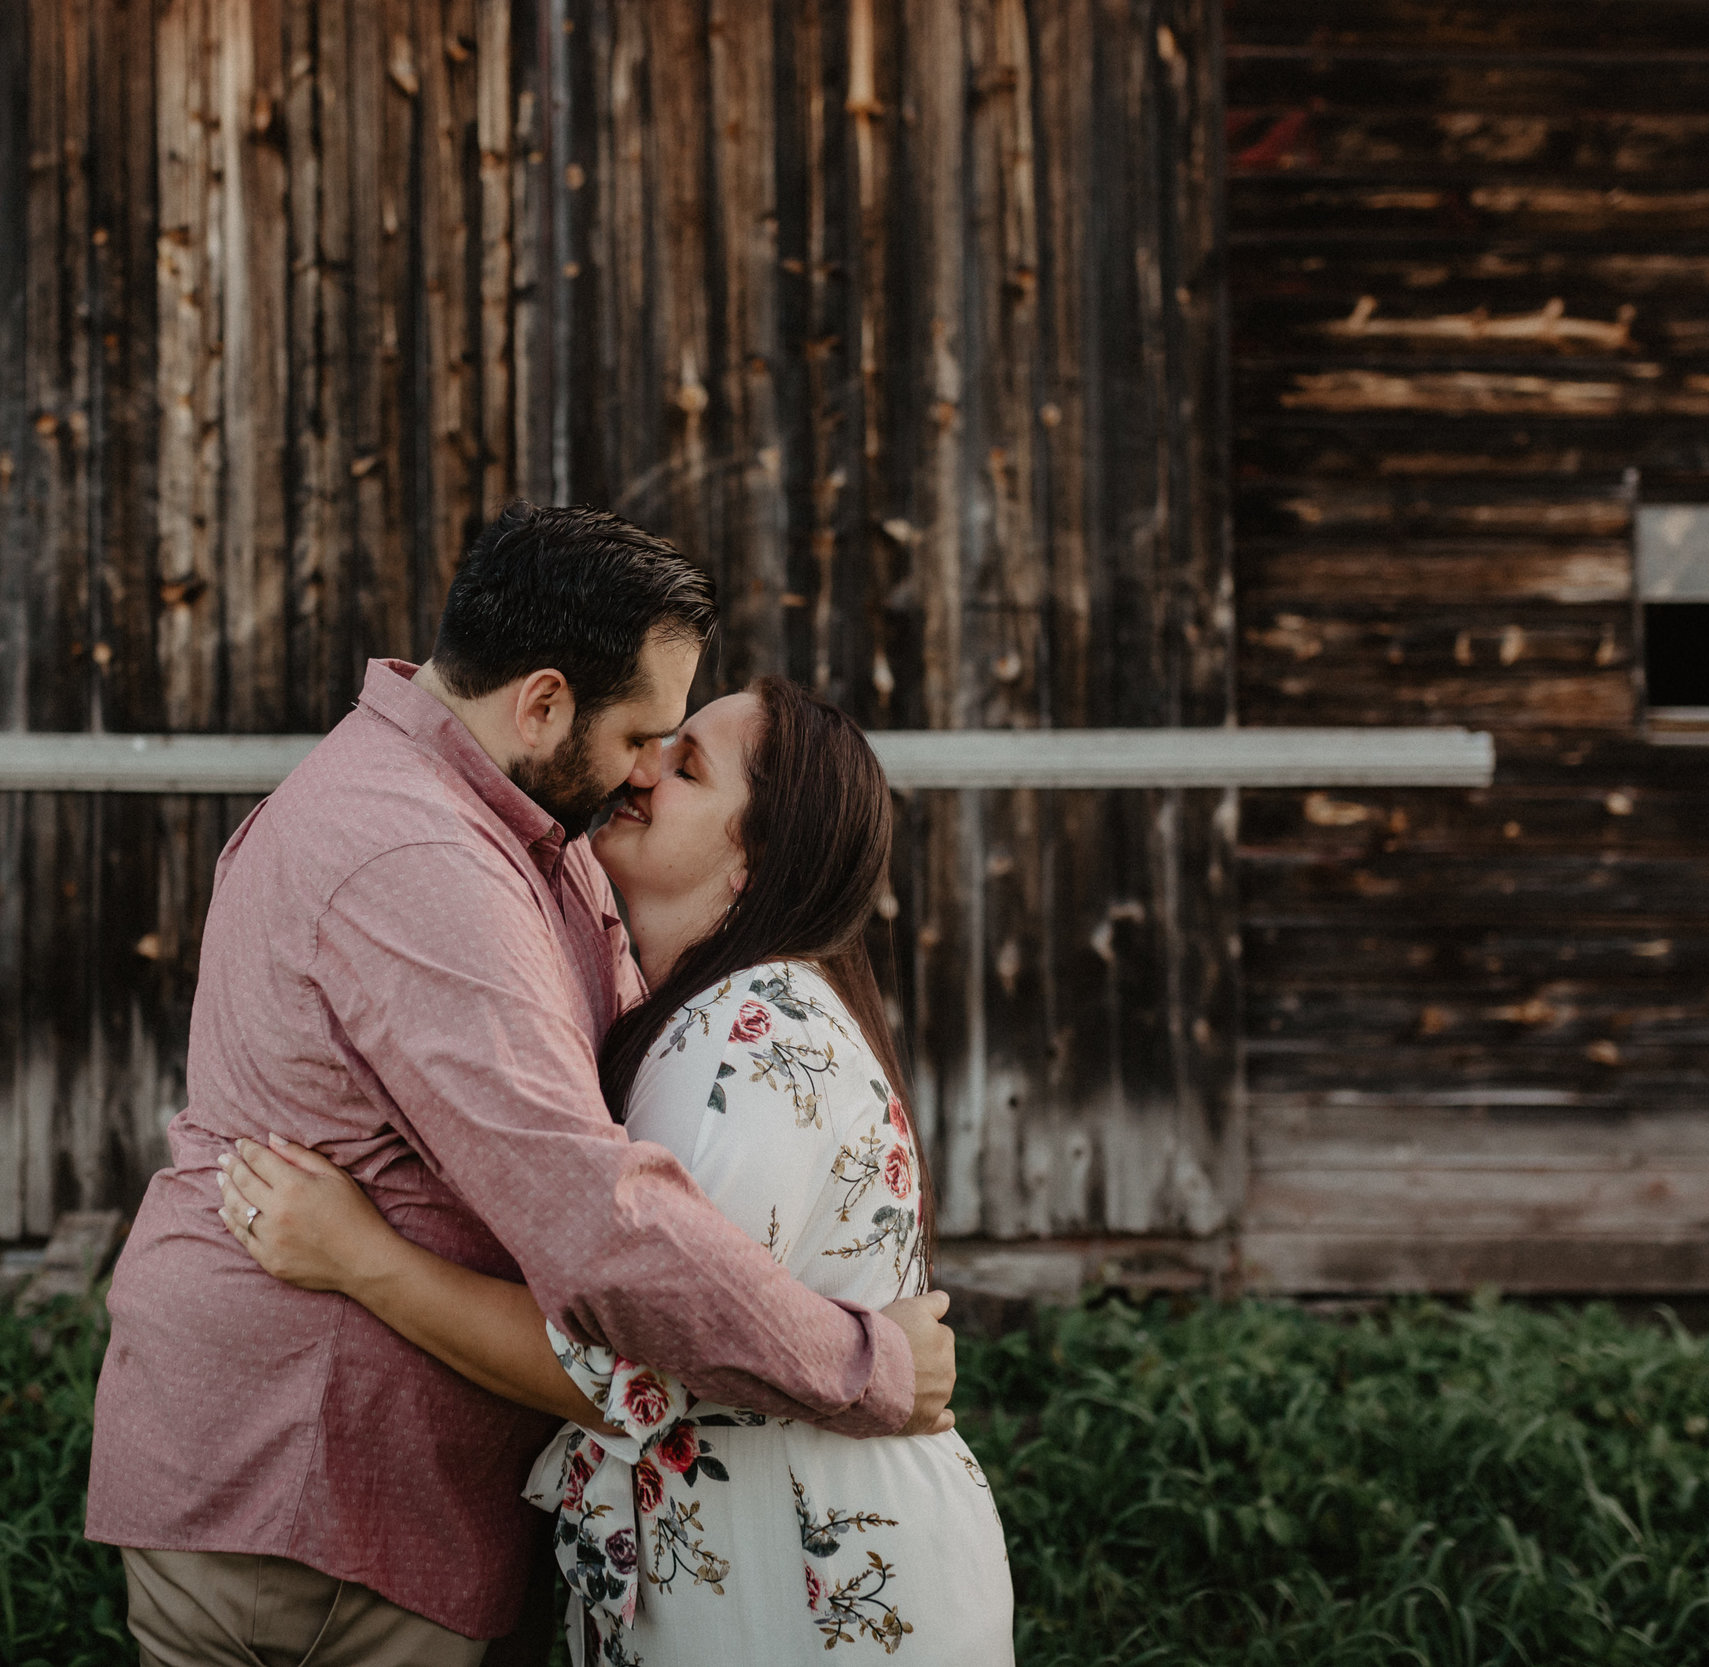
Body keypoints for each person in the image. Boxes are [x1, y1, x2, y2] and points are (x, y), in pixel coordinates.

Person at [87, 503, 962, 1667]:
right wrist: (870, 1365)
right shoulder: (423, 858)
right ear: (543, 702)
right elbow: (599, 1225)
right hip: (319, 1497)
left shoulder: (522, 830)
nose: (643, 768)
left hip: (376, 1494)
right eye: (643, 734)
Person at [220, 676, 1015, 1666]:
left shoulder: (750, 1032)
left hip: (810, 1591)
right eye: (656, 742)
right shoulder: (701, 1012)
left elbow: (624, 1363)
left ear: (753, 860)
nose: (639, 768)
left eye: (687, 767)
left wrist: (358, 1256)